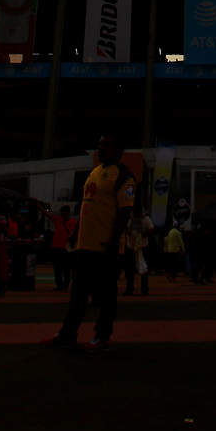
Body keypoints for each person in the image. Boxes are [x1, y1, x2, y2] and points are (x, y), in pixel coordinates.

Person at [46, 134, 136, 352]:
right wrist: (75, 234)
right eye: (99, 145)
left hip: (105, 246)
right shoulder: (95, 172)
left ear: (118, 150)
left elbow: (125, 211)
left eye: (105, 145)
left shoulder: (124, 176)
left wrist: (113, 241)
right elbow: (87, 207)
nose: (100, 149)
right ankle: (68, 333)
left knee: (106, 294)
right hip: (85, 246)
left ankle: (102, 335)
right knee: (78, 293)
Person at [49, 205, 74, 291]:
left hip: (65, 248)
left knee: (65, 268)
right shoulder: (58, 219)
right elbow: (47, 214)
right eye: (61, 212)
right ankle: (60, 285)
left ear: (67, 213)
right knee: (58, 269)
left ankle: (65, 285)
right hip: (57, 247)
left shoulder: (72, 222)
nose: (62, 214)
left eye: (63, 212)